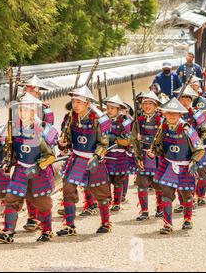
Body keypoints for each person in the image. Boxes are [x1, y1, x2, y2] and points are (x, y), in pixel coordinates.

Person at [0, 93, 56, 243]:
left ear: (34, 112)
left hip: (38, 172)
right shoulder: (15, 128)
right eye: (20, 110)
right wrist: (9, 162)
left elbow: (51, 155)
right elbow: (14, 150)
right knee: (11, 198)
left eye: (26, 110)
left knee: (42, 202)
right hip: (21, 169)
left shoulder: (42, 129)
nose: (22, 113)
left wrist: (38, 166)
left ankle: (47, 231)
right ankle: (8, 232)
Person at [57, 86, 113, 236]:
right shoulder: (71, 117)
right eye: (73, 101)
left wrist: (96, 157)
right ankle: (70, 226)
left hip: (93, 158)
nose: (75, 105)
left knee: (100, 193)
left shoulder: (100, 119)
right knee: (68, 189)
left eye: (79, 102)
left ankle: (106, 223)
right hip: (76, 158)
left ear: (88, 103)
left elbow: (104, 143)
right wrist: (63, 143)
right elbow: (68, 138)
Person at [148, 97, 205, 234]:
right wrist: (154, 152)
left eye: (175, 113)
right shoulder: (163, 127)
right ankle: (167, 224)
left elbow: (199, 149)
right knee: (166, 195)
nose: (171, 116)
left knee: (187, 195)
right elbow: (159, 146)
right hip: (169, 164)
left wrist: (193, 162)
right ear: (164, 114)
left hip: (185, 165)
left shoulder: (187, 129)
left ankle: (188, 219)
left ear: (180, 114)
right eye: (168, 113)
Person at [18, 75, 58, 232]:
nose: (27, 90)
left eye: (30, 88)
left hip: (41, 147)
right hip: (24, 147)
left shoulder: (45, 108)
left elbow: (49, 128)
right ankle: (31, 217)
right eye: (25, 88)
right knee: (26, 184)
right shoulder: (19, 106)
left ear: (38, 92)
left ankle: (44, 218)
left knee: (39, 186)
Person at [132, 91, 163, 221]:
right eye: (145, 103)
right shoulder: (138, 121)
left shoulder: (162, 120)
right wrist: (138, 156)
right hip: (143, 156)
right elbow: (134, 140)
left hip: (157, 156)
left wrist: (145, 138)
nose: (147, 106)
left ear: (156, 105)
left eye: (150, 103)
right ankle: (144, 211)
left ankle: (160, 208)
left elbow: (162, 139)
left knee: (159, 184)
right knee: (142, 184)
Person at [103, 95, 132, 212]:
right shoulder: (103, 120)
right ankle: (108, 200)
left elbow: (128, 140)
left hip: (120, 154)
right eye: (108, 107)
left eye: (112, 108)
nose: (109, 110)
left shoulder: (125, 122)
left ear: (119, 109)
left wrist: (115, 139)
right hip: (107, 154)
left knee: (118, 181)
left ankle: (117, 202)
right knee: (107, 180)